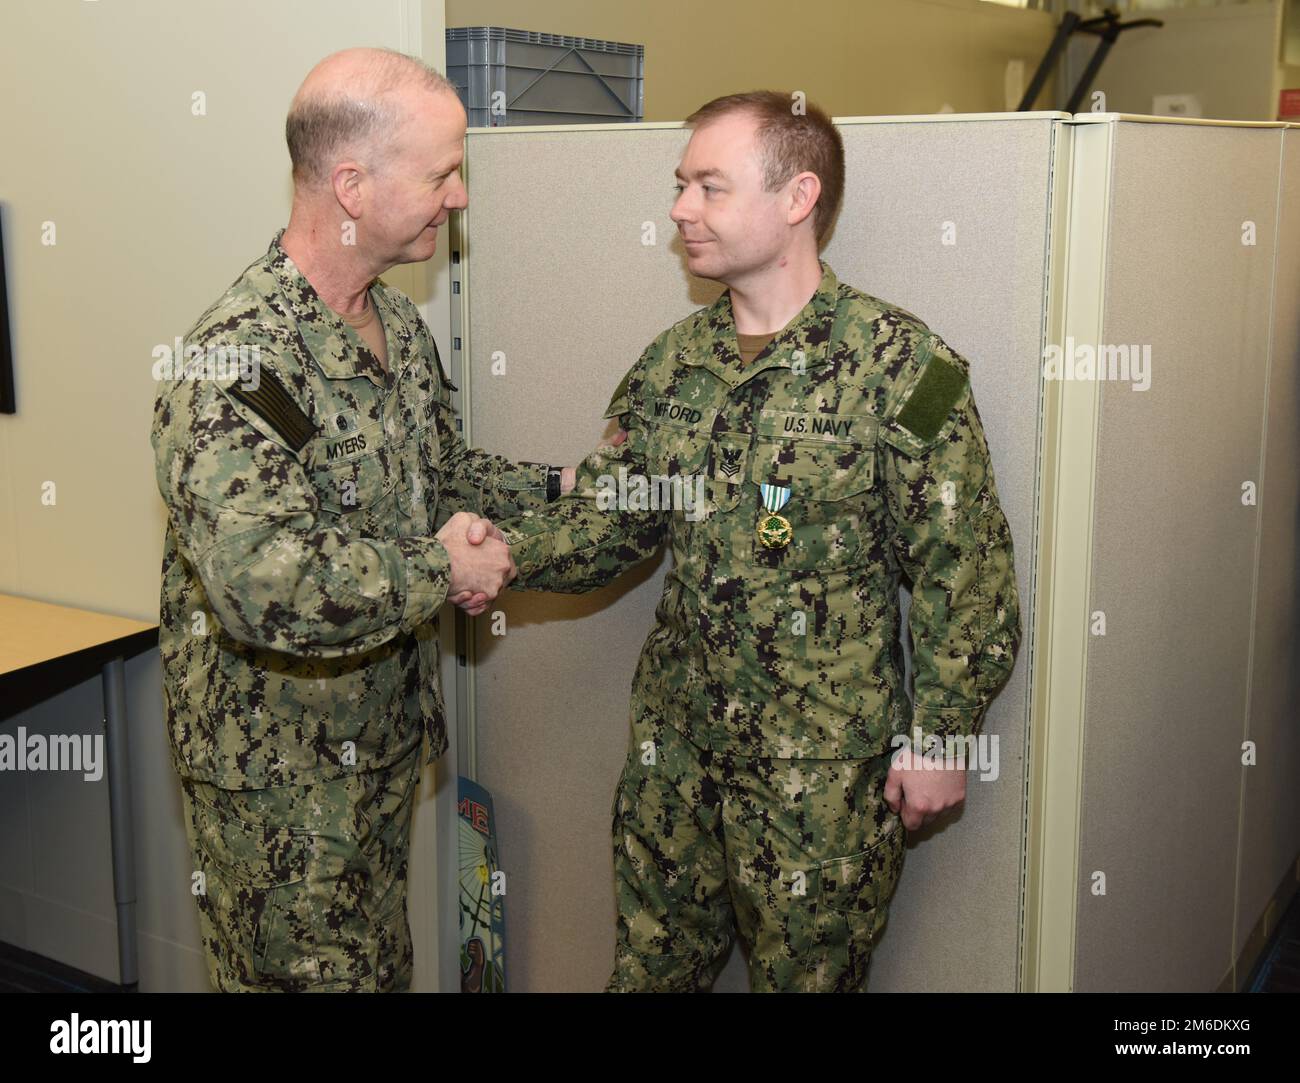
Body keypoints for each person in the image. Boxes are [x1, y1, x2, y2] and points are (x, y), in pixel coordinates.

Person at [494, 90, 1022, 992]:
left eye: (709, 186)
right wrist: (497, 555)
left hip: (818, 774)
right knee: (651, 974)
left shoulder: (902, 366)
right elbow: (610, 523)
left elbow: (963, 567)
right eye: (680, 185)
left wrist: (944, 740)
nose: (679, 209)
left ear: (796, 197)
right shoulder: (671, 365)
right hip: (676, 756)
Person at [149, 47, 573, 992]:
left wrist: (568, 484)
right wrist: (443, 571)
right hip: (281, 793)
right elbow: (268, 583)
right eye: (440, 174)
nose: (457, 197)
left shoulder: (392, 324)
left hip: (375, 754)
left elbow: (445, 471)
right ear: (350, 183)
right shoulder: (237, 365)